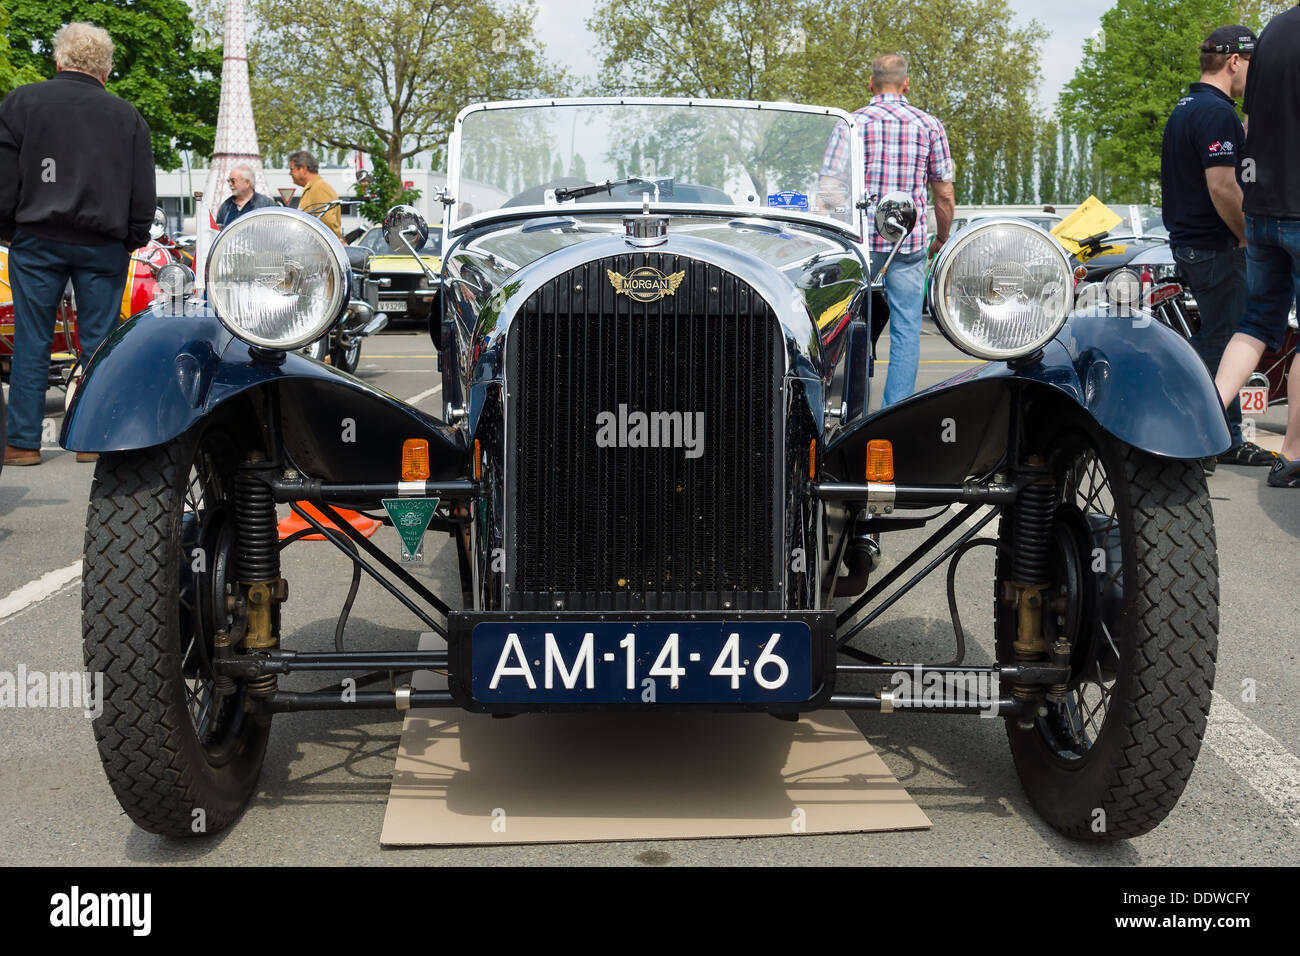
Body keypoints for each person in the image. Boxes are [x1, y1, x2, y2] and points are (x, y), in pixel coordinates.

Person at [0, 22, 155, 466]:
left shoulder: (21, 103)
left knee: (32, 340)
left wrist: (9, 228)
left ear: (58, 60)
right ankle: (94, 438)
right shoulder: (127, 116)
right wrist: (132, 236)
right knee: (101, 343)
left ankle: (23, 444)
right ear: (105, 71)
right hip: (102, 244)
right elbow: (142, 189)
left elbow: (5, 179)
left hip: (36, 238)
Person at [1159, 25, 1274, 468]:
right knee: (1226, 344)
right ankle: (1214, 439)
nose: (1253, 78)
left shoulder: (1188, 106)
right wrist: (1248, 234)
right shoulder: (1215, 113)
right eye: (1252, 67)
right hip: (1215, 244)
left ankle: (1218, 437)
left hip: (1190, 242)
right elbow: (1224, 186)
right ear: (1234, 62)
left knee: (1214, 339)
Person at [818, 53, 955, 408]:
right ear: (906, 83)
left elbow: (829, 189)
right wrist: (940, 236)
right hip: (907, 249)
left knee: (847, 327)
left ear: (870, 83)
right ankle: (894, 413)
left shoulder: (850, 124)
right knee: (907, 330)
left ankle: (850, 407)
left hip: (859, 246)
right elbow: (944, 193)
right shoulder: (929, 125)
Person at [1214, 5, 1300, 487]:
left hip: (1263, 207)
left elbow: (1249, 130)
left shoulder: (1274, 31)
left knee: (1254, 325)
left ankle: (1199, 429)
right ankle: (1292, 455)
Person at [288, 150, 343, 241]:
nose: (290, 173)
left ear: (303, 168)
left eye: (292, 169)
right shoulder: (312, 188)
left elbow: (327, 224)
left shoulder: (319, 188)